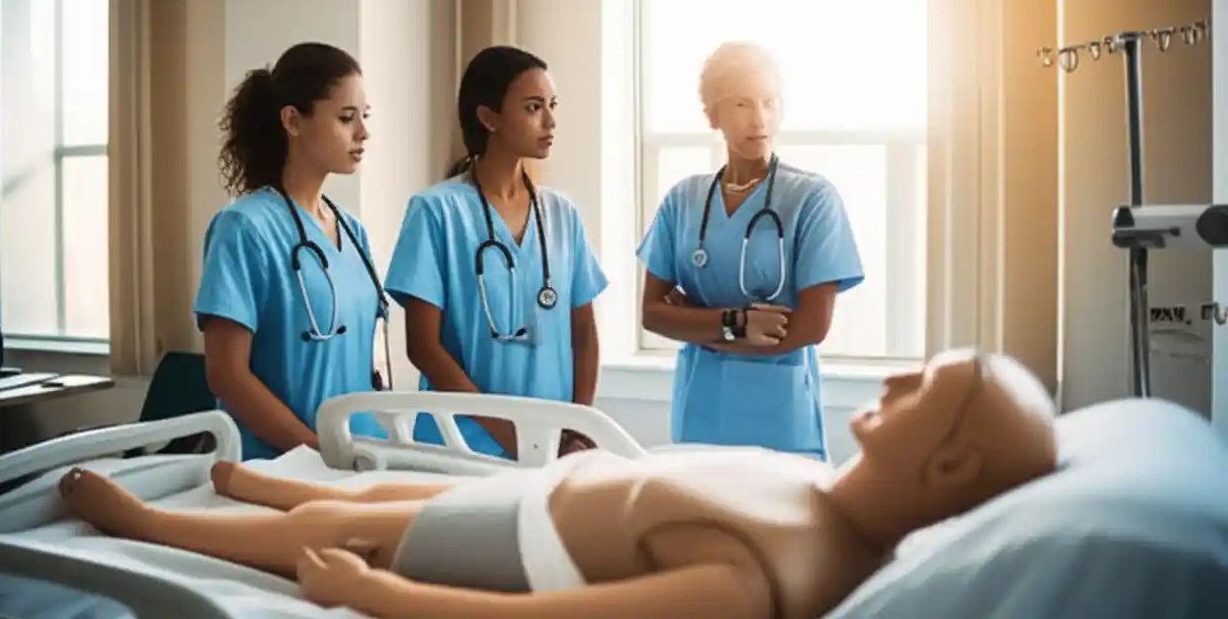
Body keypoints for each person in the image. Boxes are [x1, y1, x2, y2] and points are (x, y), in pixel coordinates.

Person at [56, 348, 1059, 619]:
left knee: (333, 528)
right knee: (369, 495)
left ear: (948, 467)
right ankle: (274, 487)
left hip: (521, 552)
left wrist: (380, 595)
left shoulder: (767, 577)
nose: (896, 378)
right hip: (536, 502)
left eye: (927, 388)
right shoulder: (813, 488)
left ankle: (152, 522)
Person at [635, 41, 864, 459]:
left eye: (769, 102)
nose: (759, 119)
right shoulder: (683, 200)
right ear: (713, 115)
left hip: (779, 414)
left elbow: (811, 327)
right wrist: (737, 324)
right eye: (742, 104)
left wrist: (700, 325)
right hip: (701, 407)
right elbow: (653, 313)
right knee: (694, 496)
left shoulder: (812, 198)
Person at [379, 45, 608, 460]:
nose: (550, 121)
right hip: (460, 446)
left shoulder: (562, 214)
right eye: (533, 107)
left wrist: (579, 426)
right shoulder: (436, 212)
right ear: (489, 118)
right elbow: (423, 347)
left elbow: (584, 336)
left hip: (552, 446)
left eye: (552, 105)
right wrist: (508, 435)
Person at [193, 42, 391, 461]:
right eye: (346, 118)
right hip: (280, 466)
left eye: (365, 117)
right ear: (293, 120)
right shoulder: (244, 229)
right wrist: (319, 451)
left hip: (360, 457)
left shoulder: (353, 232)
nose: (363, 133)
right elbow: (227, 375)